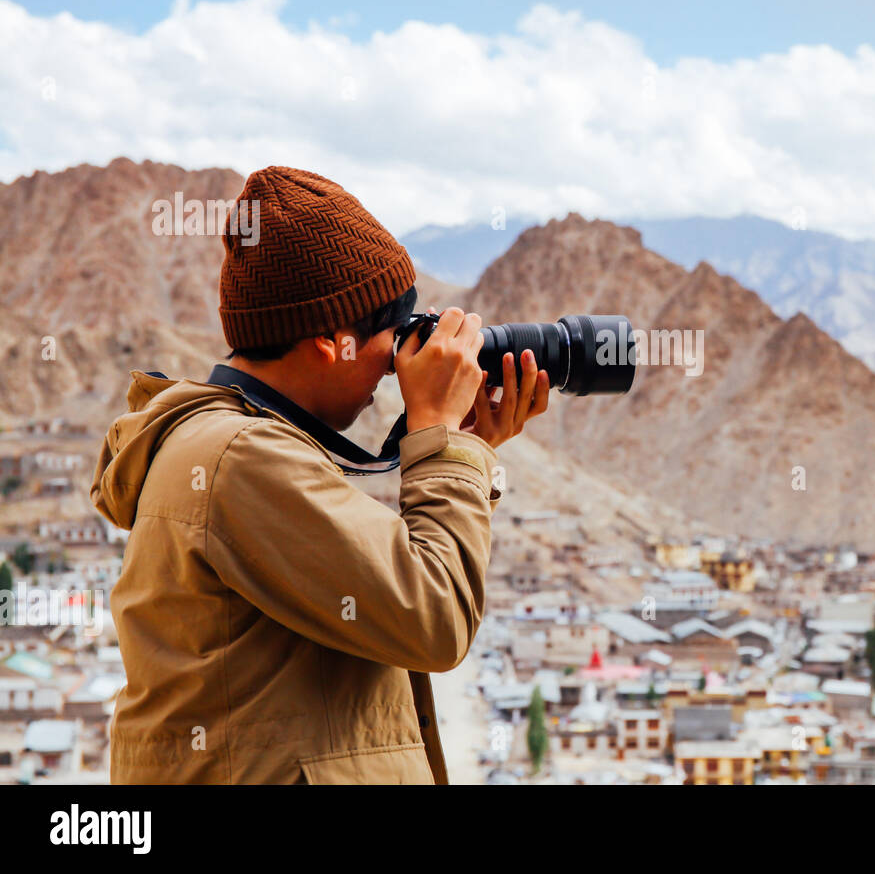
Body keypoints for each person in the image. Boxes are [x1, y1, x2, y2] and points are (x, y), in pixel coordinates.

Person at [91, 166, 548, 783]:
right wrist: (437, 434)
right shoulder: (239, 458)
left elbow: (387, 606)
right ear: (334, 344)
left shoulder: (237, 445)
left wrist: (470, 447)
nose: (395, 369)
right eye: (391, 339)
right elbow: (435, 616)